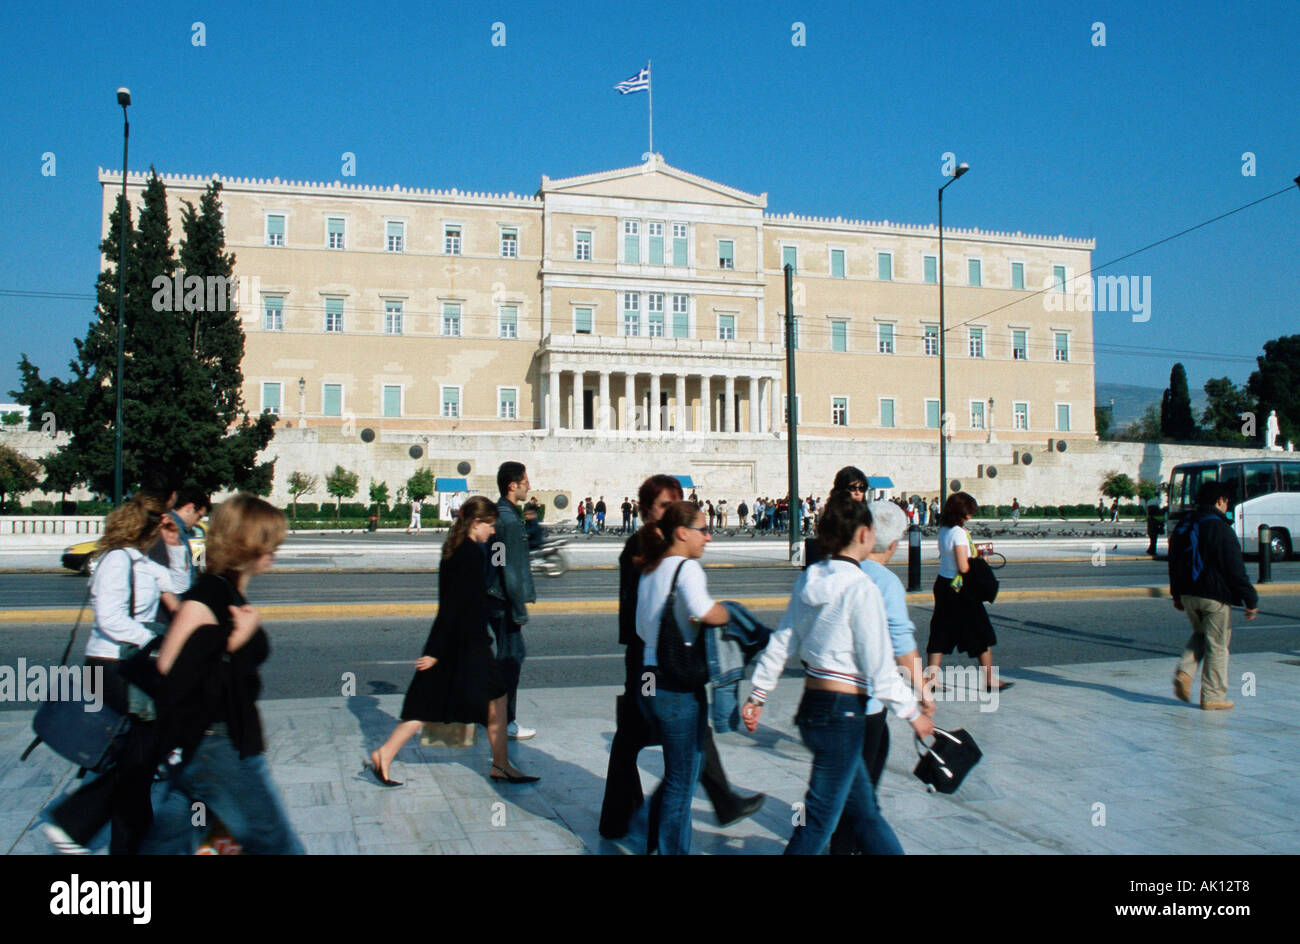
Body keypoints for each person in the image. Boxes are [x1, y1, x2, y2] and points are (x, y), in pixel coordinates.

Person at [744, 495, 934, 855]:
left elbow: (782, 641)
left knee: (865, 814)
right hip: (843, 712)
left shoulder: (811, 578)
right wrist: (913, 714)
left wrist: (758, 694)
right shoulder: (862, 588)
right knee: (820, 822)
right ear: (863, 535)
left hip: (814, 709)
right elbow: (879, 668)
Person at [599, 476, 764, 843]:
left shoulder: (658, 555)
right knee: (644, 740)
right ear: (646, 511)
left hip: (656, 662)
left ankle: (707, 805)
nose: (670, 510)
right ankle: (631, 823)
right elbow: (671, 613)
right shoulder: (643, 548)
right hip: (653, 667)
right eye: (663, 505)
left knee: (672, 745)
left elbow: (651, 617)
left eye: (675, 503)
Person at [146, 494, 303, 854]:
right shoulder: (210, 594)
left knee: (165, 845)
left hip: (213, 740)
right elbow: (168, 664)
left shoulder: (228, 590)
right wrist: (233, 641)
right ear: (245, 543)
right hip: (217, 743)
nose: (274, 549)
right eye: (268, 541)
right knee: (276, 844)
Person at [42, 494, 190, 855]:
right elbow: (109, 618)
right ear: (141, 524)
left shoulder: (140, 561)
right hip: (108, 666)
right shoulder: (115, 561)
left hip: (128, 664)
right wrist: (152, 640)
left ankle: (120, 839)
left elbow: (178, 584)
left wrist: (174, 546)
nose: (163, 524)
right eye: (158, 520)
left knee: (139, 754)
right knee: (143, 749)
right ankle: (74, 821)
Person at [368, 497, 538, 786]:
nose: (493, 532)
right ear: (476, 523)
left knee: (430, 703)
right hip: (465, 645)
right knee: (480, 698)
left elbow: (451, 604)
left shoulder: (456, 549)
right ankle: (500, 764)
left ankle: (386, 754)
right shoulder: (469, 554)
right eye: (490, 526)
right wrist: (435, 652)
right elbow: (453, 606)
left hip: (462, 642)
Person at [828, 499, 935, 854]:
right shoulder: (884, 582)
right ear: (893, 544)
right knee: (860, 795)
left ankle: (842, 843)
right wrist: (923, 692)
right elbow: (902, 644)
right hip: (866, 705)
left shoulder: (833, 569)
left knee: (848, 787)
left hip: (829, 701)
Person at [634, 500, 733, 854]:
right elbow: (705, 611)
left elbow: (642, 629)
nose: (708, 537)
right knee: (681, 780)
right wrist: (730, 613)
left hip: (650, 679)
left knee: (680, 773)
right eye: (703, 530)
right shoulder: (686, 569)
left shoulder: (649, 570)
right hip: (677, 685)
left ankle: (653, 837)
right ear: (682, 532)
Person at [1169, 481, 1258, 710]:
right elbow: (1235, 568)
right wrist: (1250, 599)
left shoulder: (1184, 524)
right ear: (1220, 500)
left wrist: (1177, 594)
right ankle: (1213, 696)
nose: (1227, 506)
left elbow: (1174, 561)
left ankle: (1185, 671)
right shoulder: (1220, 527)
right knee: (1218, 645)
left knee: (1201, 634)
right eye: (1226, 501)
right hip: (1214, 596)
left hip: (1188, 594)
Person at [927, 492, 1012, 693]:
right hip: (959, 589)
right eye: (969, 512)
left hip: (943, 584)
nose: (970, 516)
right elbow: (963, 567)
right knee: (980, 632)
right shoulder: (958, 533)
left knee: (939, 631)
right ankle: (990, 679)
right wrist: (981, 562)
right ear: (962, 513)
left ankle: (931, 679)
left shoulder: (944, 530)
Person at [487, 462, 538, 739]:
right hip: (504, 601)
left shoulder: (503, 515)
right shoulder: (506, 520)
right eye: (525, 481)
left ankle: (497, 716)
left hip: (497, 598)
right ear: (512, 485)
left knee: (508, 657)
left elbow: (498, 560)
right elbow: (509, 568)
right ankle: (505, 721)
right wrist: (518, 608)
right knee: (511, 658)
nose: (528, 486)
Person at [147, 485, 209, 593]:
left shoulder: (194, 532)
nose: (197, 522)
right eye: (199, 516)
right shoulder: (168, 528)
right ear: (189, 508)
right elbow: (200, 569)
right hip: (178, 596)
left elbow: (200, 566)